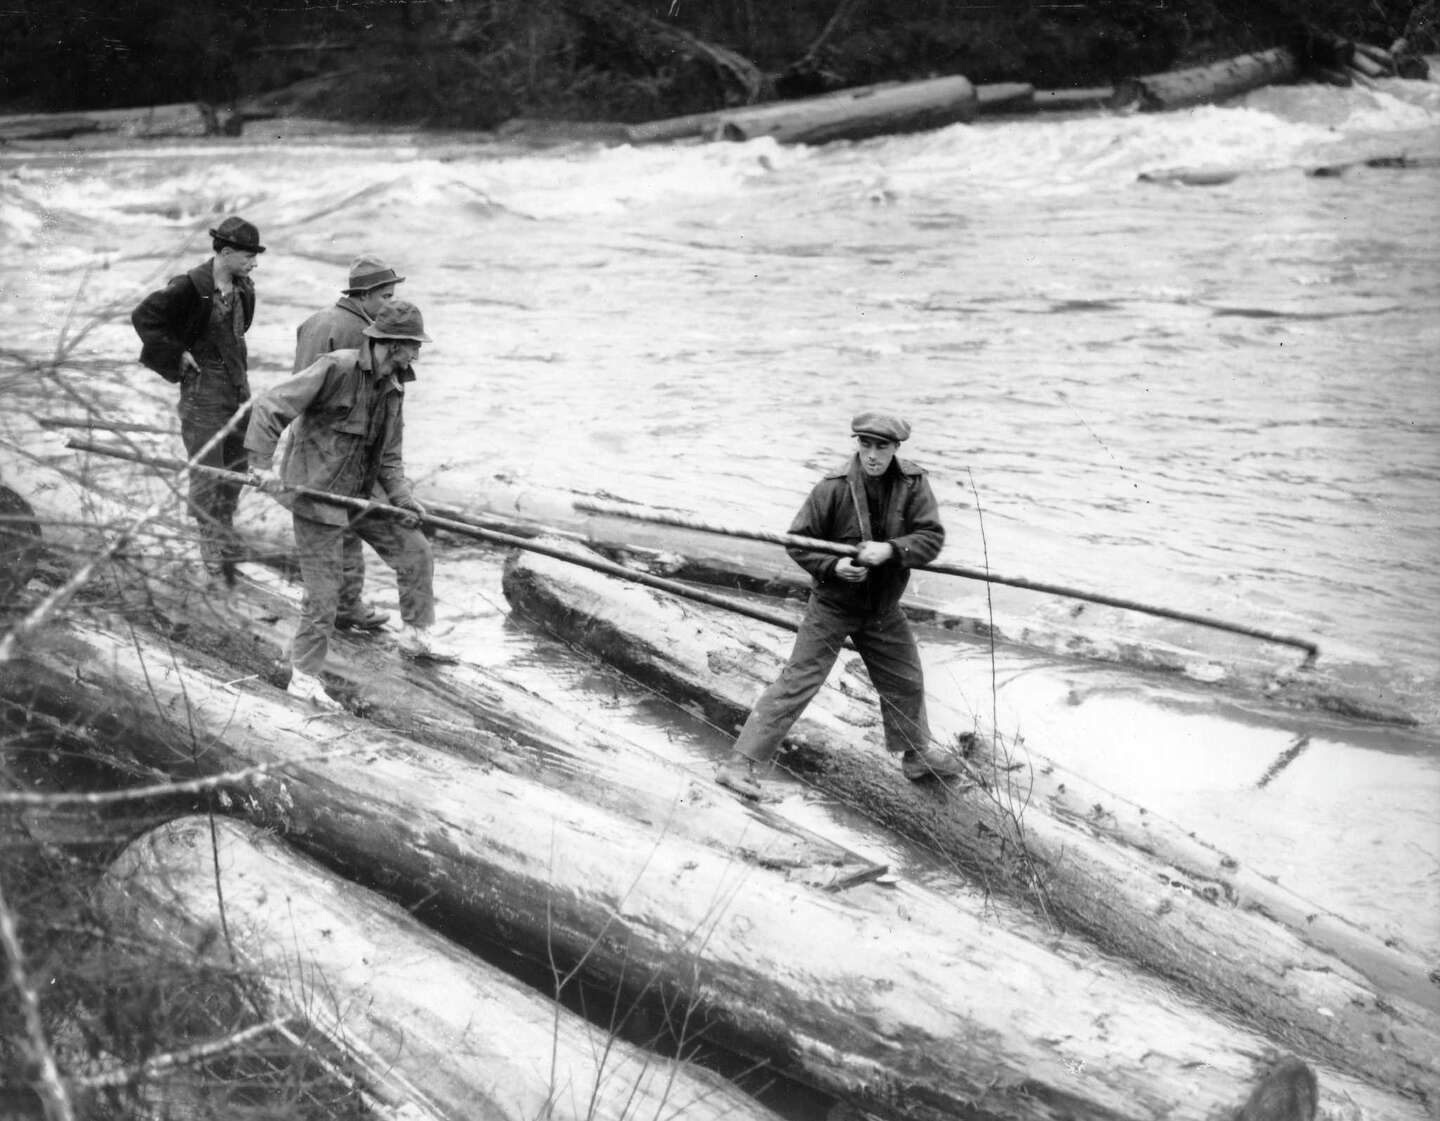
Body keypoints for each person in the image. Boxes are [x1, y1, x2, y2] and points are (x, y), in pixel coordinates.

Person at [716, 411, 963, 799]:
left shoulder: (914, 484)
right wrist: (834, 566)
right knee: (797, 683)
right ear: (857, 445)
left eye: (881, 447)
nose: (872, 455)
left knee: (907, 680)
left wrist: (893, 550)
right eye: (865, 445)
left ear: (896, 448)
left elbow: (930, 538)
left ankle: (916, 758)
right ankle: (738, 765)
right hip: (832, 605)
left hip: (882, 609)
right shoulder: (832, 487)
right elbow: (798, 541)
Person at [244, 299, 457, 712]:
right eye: (414, 346)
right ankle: (303, 679)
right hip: (316, 493)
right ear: (393, 343)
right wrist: (260, 466)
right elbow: (270, 406)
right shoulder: (336, 368)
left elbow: (390, 458)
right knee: (324, 595)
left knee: (415, 550)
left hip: (361, 492)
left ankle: (416, 635)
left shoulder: (394, 386)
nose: (418, 354)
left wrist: (403, 500)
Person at [132, 215, 264, 584]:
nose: (254, 263)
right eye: (248, 255)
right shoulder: (190, 286)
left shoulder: (245, 288)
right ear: (224, 252)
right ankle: (208, 541)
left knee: (237, 463)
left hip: (239, 386)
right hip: (202, 390)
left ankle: (224, 531)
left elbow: (241, 332)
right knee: (207, 468)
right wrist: (176, 353)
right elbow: (144, 317)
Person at [290, 254, 408, 632]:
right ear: (368, 294)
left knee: (335, 523)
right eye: (387, 296)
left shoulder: (313, 321)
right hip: (342, 445)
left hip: (310, 440)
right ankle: (344, 606)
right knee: (345, 522)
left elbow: (298, 387)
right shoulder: (364, 335)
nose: (391, 305)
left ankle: (342, 604)